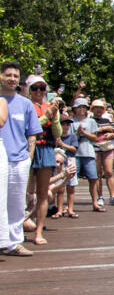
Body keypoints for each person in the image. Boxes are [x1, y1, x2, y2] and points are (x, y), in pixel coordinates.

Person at [0, 62, 40, 257]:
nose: (12, 79)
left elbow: (31, 135)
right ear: (1, 76)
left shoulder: (25, 104)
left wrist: (28, 160)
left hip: (19, 160)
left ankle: (14, 243)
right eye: (8, 75)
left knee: (16, 203)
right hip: (1, 159)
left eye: (16, 76)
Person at [27, 74, 59, 245]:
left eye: (42, 88)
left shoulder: (50, 106)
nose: (39, 91)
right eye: (35, 88)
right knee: (24, 192)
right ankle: (20, 226)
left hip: (46, 148)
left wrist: (55, 115)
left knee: (43, 193)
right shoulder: (26, 105)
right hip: (29, 148)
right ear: (29, 90)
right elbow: (32, 126)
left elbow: (58, 133)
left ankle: (39, 231)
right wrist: (46, 116)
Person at [71, 97, 102, 213]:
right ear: (75, 109)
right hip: (75, 154)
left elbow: (95, 137)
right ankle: (70, 206)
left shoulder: (91, 122)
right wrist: (77, 134)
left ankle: (95, 202)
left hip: (88, 152)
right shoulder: (71, 122)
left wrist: (84, 133)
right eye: (79, 107)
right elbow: (68, 138)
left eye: (83, 107)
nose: (81, 110)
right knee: (71, 180)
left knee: (93, 178)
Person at [91, 100, 114, 207]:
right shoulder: (90, 120)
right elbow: (90, 132)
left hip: (107, 147)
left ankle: (112, 196)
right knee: (97, 174)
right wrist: (103, 128)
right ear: (92, 109)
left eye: (100, 108)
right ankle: (100, 197)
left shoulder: (108, 120)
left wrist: (111, 135)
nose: (98, 110)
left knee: (109, 172)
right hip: (94, 148)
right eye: (96, 108)